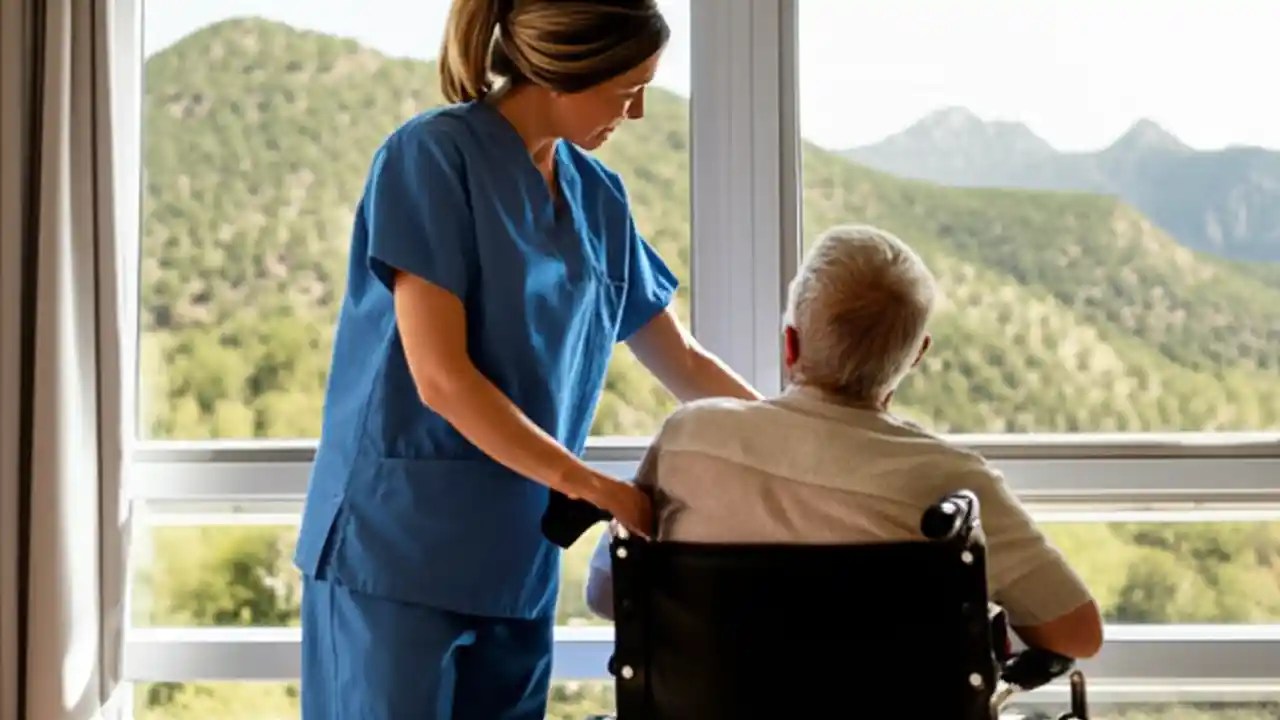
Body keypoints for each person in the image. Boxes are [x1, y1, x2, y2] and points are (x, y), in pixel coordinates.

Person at [291, 1, 761, 717]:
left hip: (516, 562)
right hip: (393, 553)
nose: (634, 114)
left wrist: (810, 440)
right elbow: (442, 379)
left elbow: (687, 363)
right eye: (625, 90)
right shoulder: (430, 158)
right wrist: (597, 488)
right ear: (565, 72)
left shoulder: (598, 198)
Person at [586, 224, 1104, 660]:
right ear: (914, 356)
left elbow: (609, 594)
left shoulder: (689, 438)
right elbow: (1076, 634)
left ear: (790, 342)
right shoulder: (953, 485)